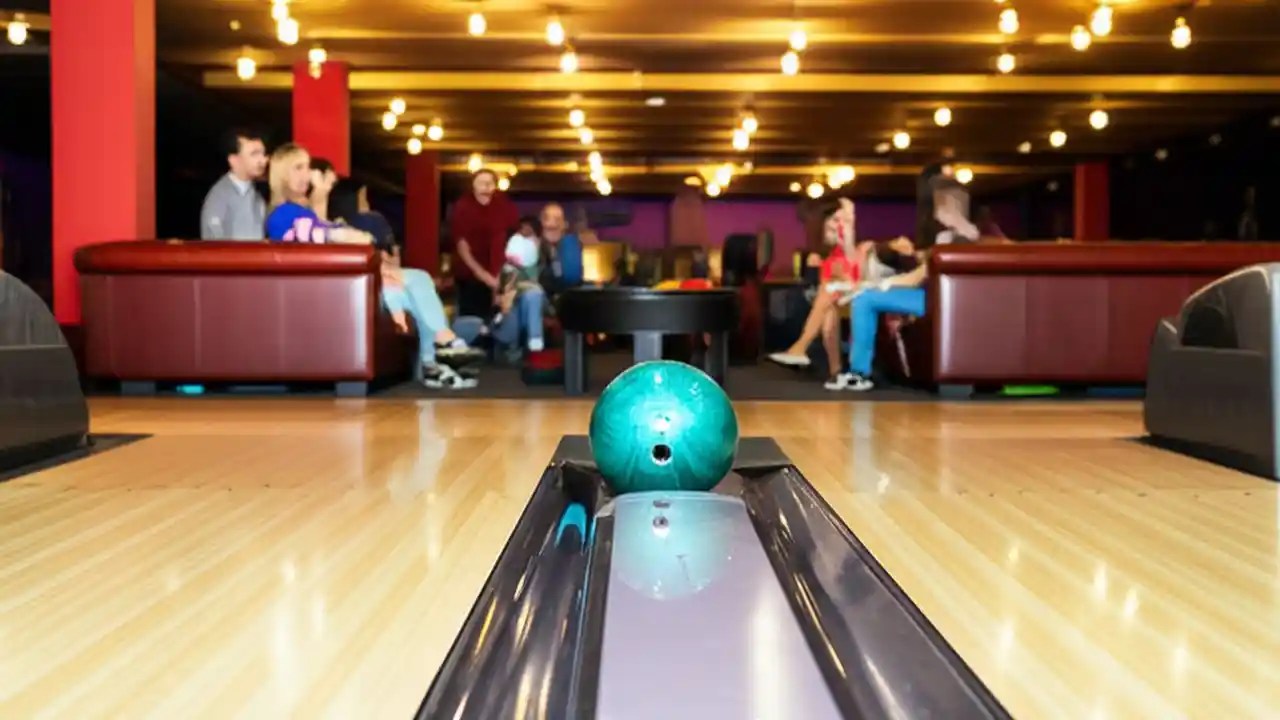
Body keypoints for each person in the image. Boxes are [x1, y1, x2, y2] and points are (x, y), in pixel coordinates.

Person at [264, 145, 482, 389]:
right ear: (282, 174)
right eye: (299, 168)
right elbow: (318, 238)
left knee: (413, 286)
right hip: (329, 293)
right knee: (413, 283)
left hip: (342, 286)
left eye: (308, 168)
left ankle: (434, 359)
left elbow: (327, 236)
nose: (307, 175)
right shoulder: (283, 213)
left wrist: (369, 257)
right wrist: (351, 238)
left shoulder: (301, 211)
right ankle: (440, 348)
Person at [767, 198, 881, 387]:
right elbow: (824, 284)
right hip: (835, 300)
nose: (839, 225)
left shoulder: (863, 248)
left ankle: (800, 347)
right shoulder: (822, 255)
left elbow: (857, 280)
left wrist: (848, 240)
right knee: (828, 313)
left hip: (859, 296)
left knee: (827, 294)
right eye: (835, 220)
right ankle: (835, 372)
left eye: (844, 220)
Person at [449, 169, 520, 318]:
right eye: (481, 183)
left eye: (490, 183)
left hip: (499, 273)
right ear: (473, 186)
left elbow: (514, 239)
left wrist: (503, 277)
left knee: (499, 318)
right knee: (473, 319)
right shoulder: (463, 206)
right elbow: (462, 247)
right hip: (470, 274)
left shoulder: (503, 205)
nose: (486, 186)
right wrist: (484, 276)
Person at [200, 128, 267, 240]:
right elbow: (212, 243)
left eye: (263, 153)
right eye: (254, 154)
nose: (262, 160)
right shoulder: (219, 197)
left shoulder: (257, 196)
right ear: (234, 160)